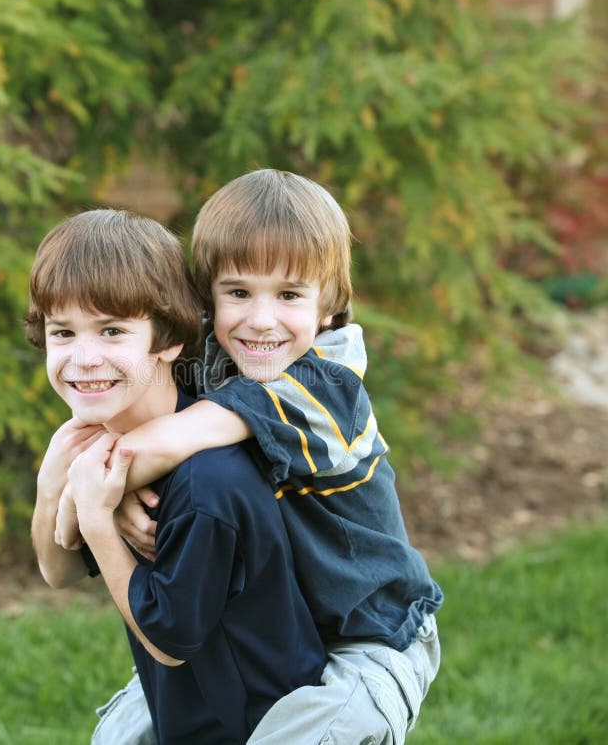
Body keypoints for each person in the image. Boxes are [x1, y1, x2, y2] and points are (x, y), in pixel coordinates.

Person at [71, 170, 443, 743]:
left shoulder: (326, 388)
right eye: (238, 292)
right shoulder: (213, 358)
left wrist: (110, 493)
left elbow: (164, 441)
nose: (261, 319)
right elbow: (116, 415)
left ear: (330, 305)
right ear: (206, 296)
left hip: (369, 636)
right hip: (265, 628)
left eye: (290, 295)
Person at [27, 209, 326, 744]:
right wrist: (54, 483)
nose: (84, 358)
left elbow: (169, 640)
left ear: (167, 341)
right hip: (189, 715)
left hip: (260, 727)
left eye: (113, 330)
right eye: (63, 332)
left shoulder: (206, 480)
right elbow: (60, 572)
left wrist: (95, 517)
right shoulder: (111, 443)